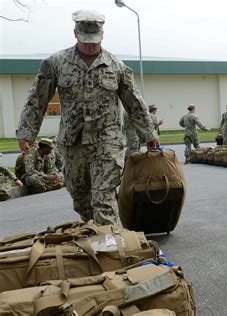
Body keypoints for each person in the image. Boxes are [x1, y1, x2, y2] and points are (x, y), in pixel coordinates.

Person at [16, 10, 159, 225]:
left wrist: (149, 134)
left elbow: (135, 103)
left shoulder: (116, 66)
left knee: (103, 199)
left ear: (102, 35)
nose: (90, 45)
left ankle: (108, 251)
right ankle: (94, 237)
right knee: (81, 200)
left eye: (94, 40)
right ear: (75, 34)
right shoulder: (56, 63)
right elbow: (37, 98)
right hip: (73, 143)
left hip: (107, 141)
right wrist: (27, 131)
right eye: (85, 41)